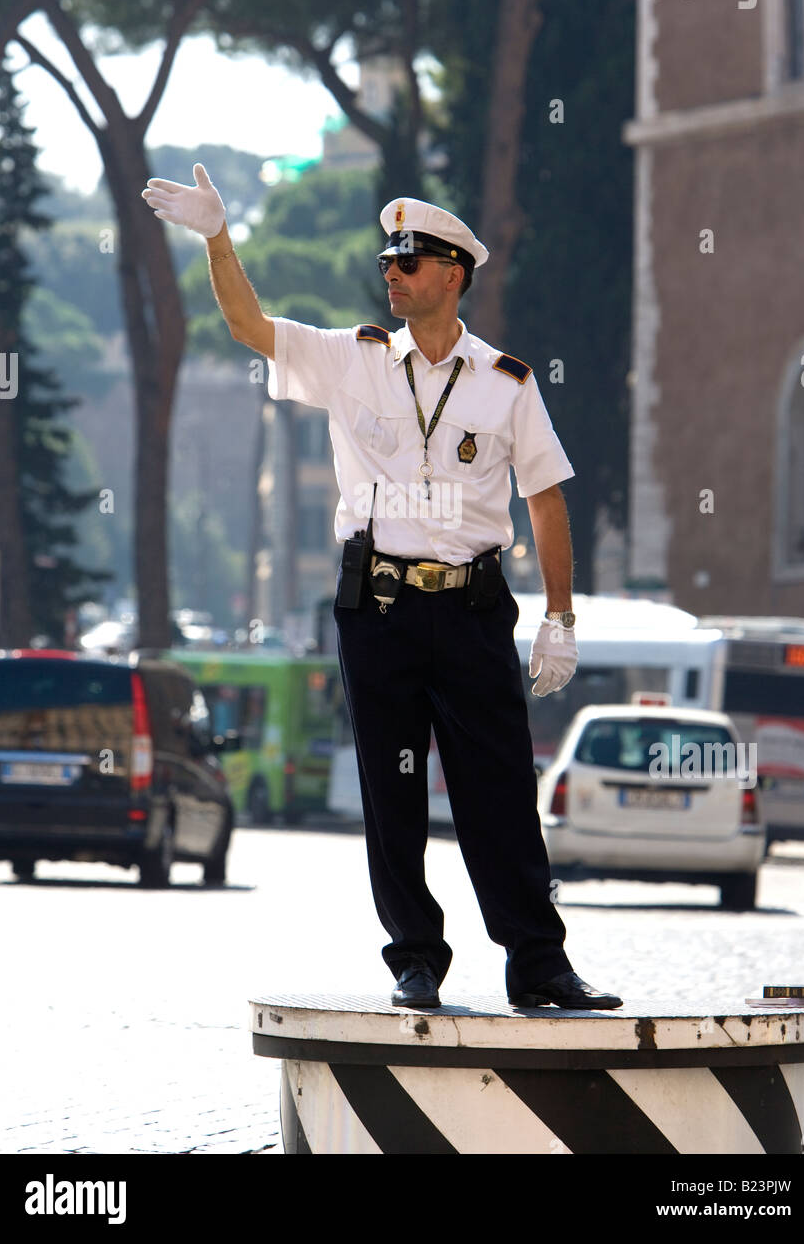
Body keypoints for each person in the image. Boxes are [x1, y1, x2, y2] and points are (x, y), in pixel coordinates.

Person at [141, 165, 622, 1012]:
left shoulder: (504, 382)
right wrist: (219, 237)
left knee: (500, 792)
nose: (392, 274)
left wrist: (561, 618)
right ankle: (415, 961)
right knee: (390, 790)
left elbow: (546, 500)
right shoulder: (351, 360)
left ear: (453, 274)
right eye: (387, 262)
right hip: (381, 609)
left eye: (408, 262)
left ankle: (539, 966)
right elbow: (250, 325)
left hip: (474, 608)